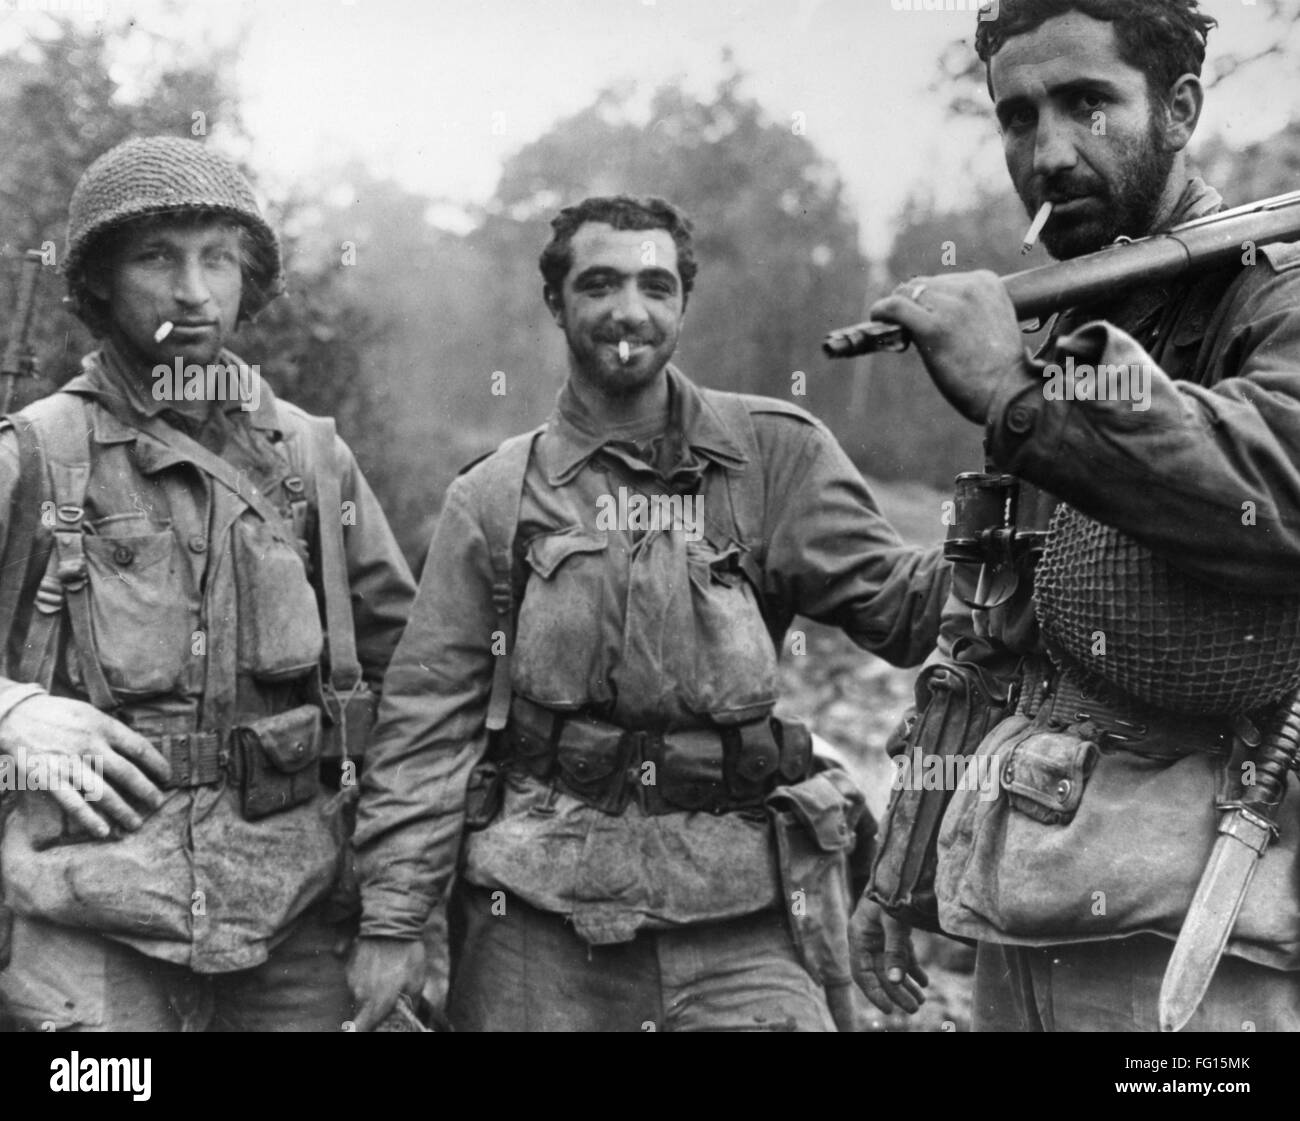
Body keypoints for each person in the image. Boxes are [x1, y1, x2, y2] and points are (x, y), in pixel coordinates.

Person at [347, 194, 950, 1032]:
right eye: (599, 284)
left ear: (681, 304)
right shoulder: (492, 496)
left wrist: (1038, 465)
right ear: (556, 303)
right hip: (537, 914)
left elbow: (905, 612)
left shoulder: (775, 456)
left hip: (740, 909)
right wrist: (393, 919)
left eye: (655, 286)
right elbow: (426, 721)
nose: (629, 310)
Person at [866, 0, 1300, 1030]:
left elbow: (1279, 489)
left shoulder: (1273, 302)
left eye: (1087, 104)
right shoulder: (1063, 319)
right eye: (1018, 116)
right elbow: (991, 637)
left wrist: (1020, 401)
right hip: (1035, 896)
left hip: (1219, 919)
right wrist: (909, 857)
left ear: (1179, 107)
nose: (1048, 151)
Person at [0, 136, 416, 1031]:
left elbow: (421, 690)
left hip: (291, 907)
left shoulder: (311, 459)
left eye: (217, 258)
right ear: (102, 281)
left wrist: (396, 909)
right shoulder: (36, 454)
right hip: (85, 912)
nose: (193, 290)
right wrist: (9, 710)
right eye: (158, 255)